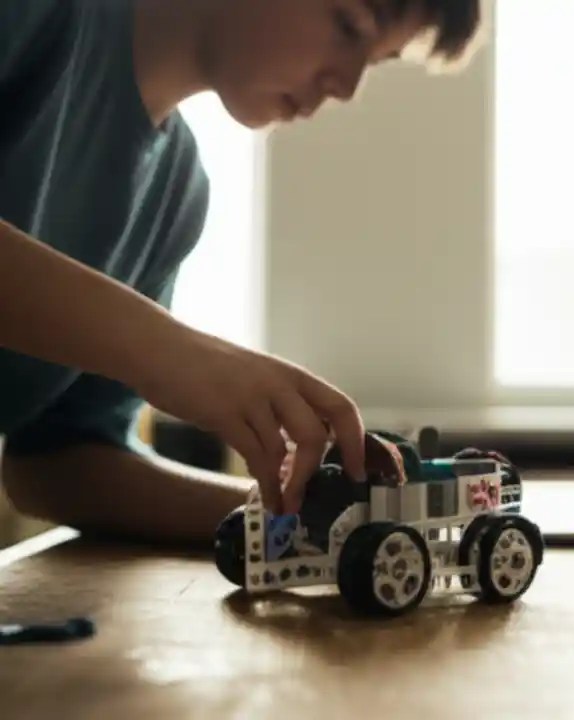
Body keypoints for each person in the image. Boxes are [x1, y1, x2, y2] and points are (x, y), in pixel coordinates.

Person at [0, 0, 485, 545]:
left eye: (374, 60)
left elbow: (56, 462)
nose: (347, 87)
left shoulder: (175, 192)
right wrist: (169, 351)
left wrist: (312, 519)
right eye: (349, 26)